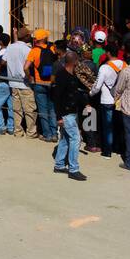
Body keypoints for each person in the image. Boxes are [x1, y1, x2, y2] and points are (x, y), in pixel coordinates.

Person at [50, 50, 90, 180]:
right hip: (66, 114)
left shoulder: (71, 75)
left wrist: (85, 104)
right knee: (75, 139)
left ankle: (59, 164)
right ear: (74, 62)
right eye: (77, 61)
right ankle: (73, 169)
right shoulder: (62, 76)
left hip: (71, 112)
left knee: (66, 139)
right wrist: (59, 117)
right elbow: (57, 97)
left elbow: (75, 93)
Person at [89, 48, 124, 158]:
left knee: (108, 127)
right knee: (119, 125)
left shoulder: (104, 67)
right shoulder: (124, 65)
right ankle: (118, 149)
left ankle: (107, 152)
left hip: (107, 100)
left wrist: (90, 93)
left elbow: (97, 86)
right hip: (120, 100)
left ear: (108, 53)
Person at [26, 29, 59, 142]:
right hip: (51, 83)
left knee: (43, 110)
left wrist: (30, 77)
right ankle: (54, 134)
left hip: (39, 84)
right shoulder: (52, 49)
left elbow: (25, 67)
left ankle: (47, 135)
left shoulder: (33, 51)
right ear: (44, 38)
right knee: (52, 109)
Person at [4, 27, 35, 137]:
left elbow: (4, 60)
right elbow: (28, 66)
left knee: (17, 109)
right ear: (26, 36)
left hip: (13, 82)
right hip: (25, 83)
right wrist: (29, 77)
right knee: (29, 109)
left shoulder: (10, 47)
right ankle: (31, 132)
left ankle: (18, 131)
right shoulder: (27, 49)